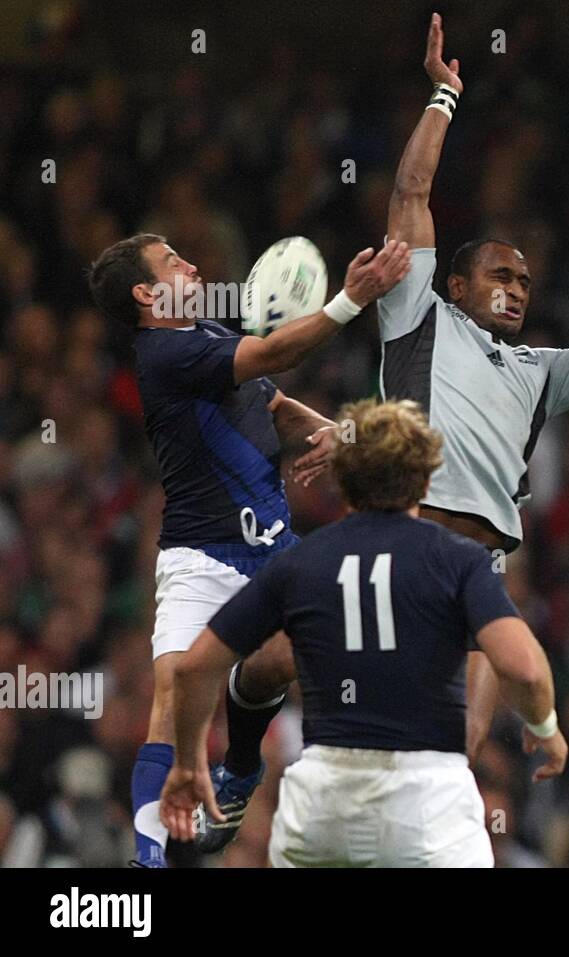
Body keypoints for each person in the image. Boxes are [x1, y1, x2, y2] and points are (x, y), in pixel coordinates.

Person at [234, 12, 569, 768]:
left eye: (526, 280)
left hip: (482, 570)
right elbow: (412, 189)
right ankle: (237, 736)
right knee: (279, 663)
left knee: (452, 752)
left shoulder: (542, 372)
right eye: (501, 273)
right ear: (455, 283)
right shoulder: (416, 314)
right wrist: (444, 97)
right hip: (400, 535)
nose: (517, 288)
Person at [88, 232, 411, 865]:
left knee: (277, 665)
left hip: (274, 553)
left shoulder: (206, 335)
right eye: (174, 262)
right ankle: (146, 863)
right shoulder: (162, 353)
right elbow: (270, 356)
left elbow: (277, 406)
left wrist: (342, 435)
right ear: (147, 293)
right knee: (174, 697)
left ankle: (240, 767)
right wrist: (352, 299)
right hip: (198, 558)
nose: (194, 263)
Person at [159, 399, 567, 867]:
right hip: (427, 805)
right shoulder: (462, 561)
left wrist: (189, 766)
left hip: (321, 801)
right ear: (427, 478)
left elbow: (193, 668)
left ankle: (238, 771)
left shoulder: (301, 562)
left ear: (341, 480)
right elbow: (526, 671)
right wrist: (546, 729)